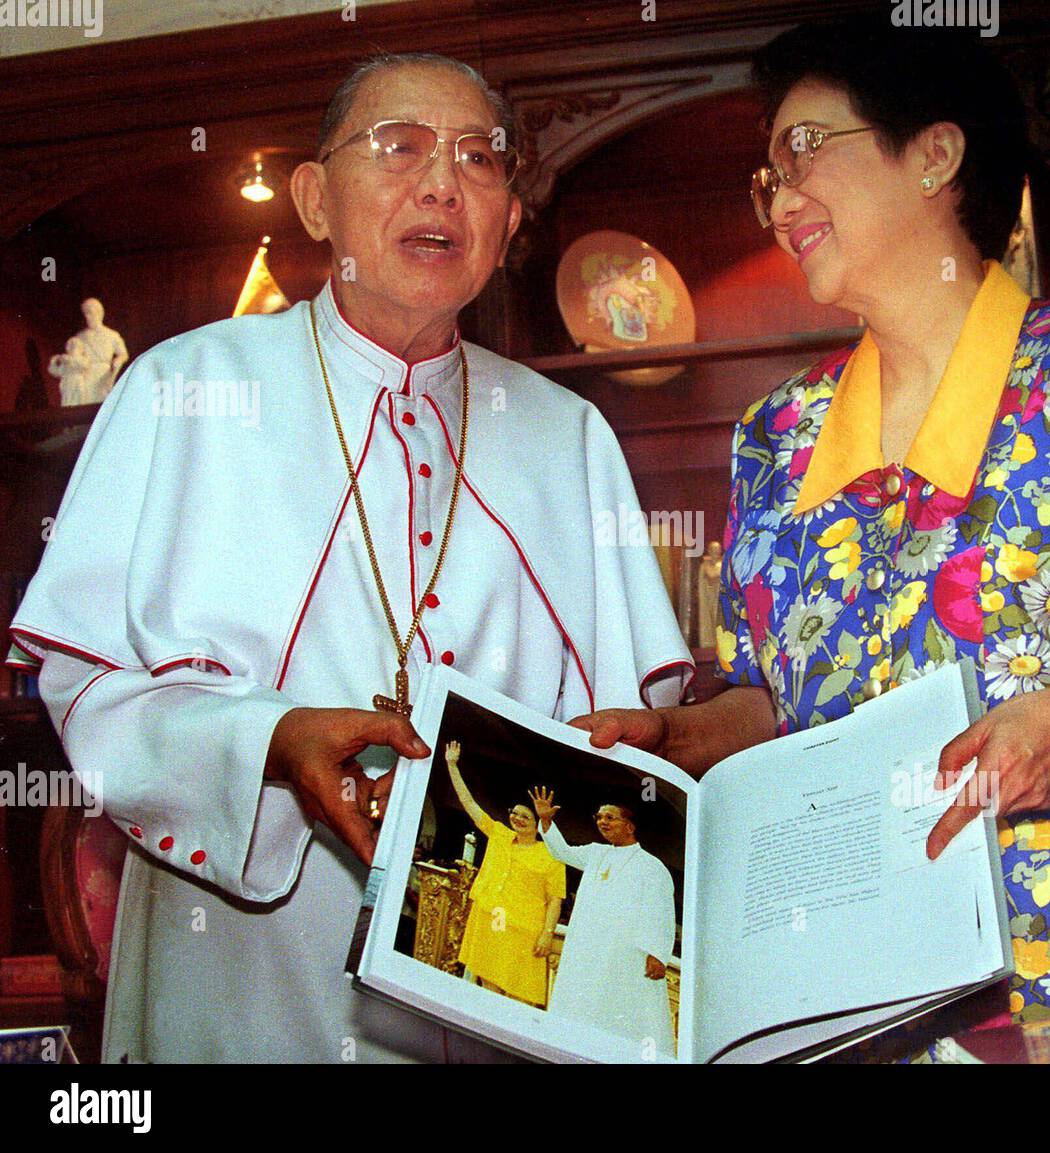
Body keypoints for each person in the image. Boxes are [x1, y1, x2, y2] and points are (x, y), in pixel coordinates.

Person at [572, 22, 1050, 1031]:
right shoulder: (775, 435)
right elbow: (770, 704)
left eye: (804, 149)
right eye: (765, 175)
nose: (780, 197)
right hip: (852, 982)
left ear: (935, 156)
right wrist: (676, 736)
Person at [6, 51, 690, 1062]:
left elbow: (629, 741)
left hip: (501, 969)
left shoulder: (569, 435)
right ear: (316, 200)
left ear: (507, 223)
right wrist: (268, 744)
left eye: (479, 160)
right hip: (244, 951)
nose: (441, 185)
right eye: (399, 147)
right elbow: (87, 686)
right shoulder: (179, 390)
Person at [528, 787, 677, 1058]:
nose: (602, 822)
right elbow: (562, 852)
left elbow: (662, 911)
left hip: (625, 953)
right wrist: (546, 821)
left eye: (610, 817)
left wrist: (658, 952)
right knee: (583, 1005)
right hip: (587, 947)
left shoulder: (652, 867)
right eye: (599, 817)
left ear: (630, 826)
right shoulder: (596, 853)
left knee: (620, 1012)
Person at [443, 740, 565, 1006]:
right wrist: (452, 765)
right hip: (489, 917)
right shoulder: (499, 834)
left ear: (536, 823)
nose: (518, 819)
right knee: (487, 984)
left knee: (517, 996)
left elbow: (556, 900)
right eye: (515, 813)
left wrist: (547, 933)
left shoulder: (552, 856)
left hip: (523, 929)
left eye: (525, 816)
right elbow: (468, 802)